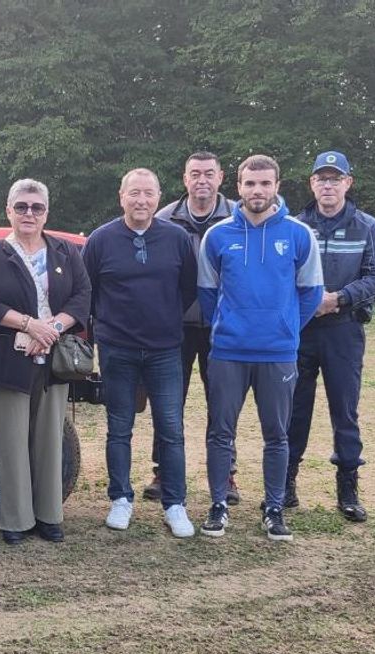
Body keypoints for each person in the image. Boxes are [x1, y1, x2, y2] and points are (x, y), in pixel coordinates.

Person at [197, 155, 323, 542]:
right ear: (238, 186)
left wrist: (282, 327)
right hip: (229, 353)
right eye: (251, 184)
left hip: (278, 353)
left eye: (265, 184)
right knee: (221, 432)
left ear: (277, 186)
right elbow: (207, 294)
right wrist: (232, 327)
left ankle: (273, 508)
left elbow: (311, 292)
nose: (257, 191)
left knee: (277, 435)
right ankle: (218, 506)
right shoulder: (217, 236)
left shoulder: (299, 235)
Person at [0, 179, 91, 545]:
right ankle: (17, 519)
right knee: (10, 441)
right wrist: (28, 324)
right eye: (21, 206)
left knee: (50, 440)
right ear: (8, 210)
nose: (29, 213)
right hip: (10, 358)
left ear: (46, 213)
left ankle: (49, 516)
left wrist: (53, 326)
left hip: (54, 361)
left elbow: (83, 296)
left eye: (36, 208)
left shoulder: (66, 253)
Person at [82, 168, 197, 536]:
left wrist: (163, 319)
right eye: (134, 193)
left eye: (148, 193)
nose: (141, 201)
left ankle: (175, 504)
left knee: (170, 429)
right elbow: (88, 293)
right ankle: (120, 499)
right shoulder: (101, 240)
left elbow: (188, 288)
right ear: (121, 196)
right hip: (118, 349)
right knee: (119, 428)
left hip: (165, 350)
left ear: (159, 196)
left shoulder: (177, 238)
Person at [289, 151, 375, 521]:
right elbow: (283, 273)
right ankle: (286, 483)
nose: (328, 185)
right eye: (321, 178)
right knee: (293, 410)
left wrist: (338, 299)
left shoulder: (368, 227)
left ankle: (348, 487)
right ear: (312, 183)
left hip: (344, 330)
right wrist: (308, 301)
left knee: (344, 410)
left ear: (348, 182)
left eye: (335, 178)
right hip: (300, 331)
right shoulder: (296, 226)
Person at [147, 152, 241, 505]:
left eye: (209, 174)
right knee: (169, 403)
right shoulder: (164, 218)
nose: (202, 180)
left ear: (220, 178)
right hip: (176, 328)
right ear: (184, 179)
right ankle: (163, 471)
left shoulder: (237, 217)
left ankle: (226, 474)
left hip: (224, 328)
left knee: (223, 405)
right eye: (195, 174)